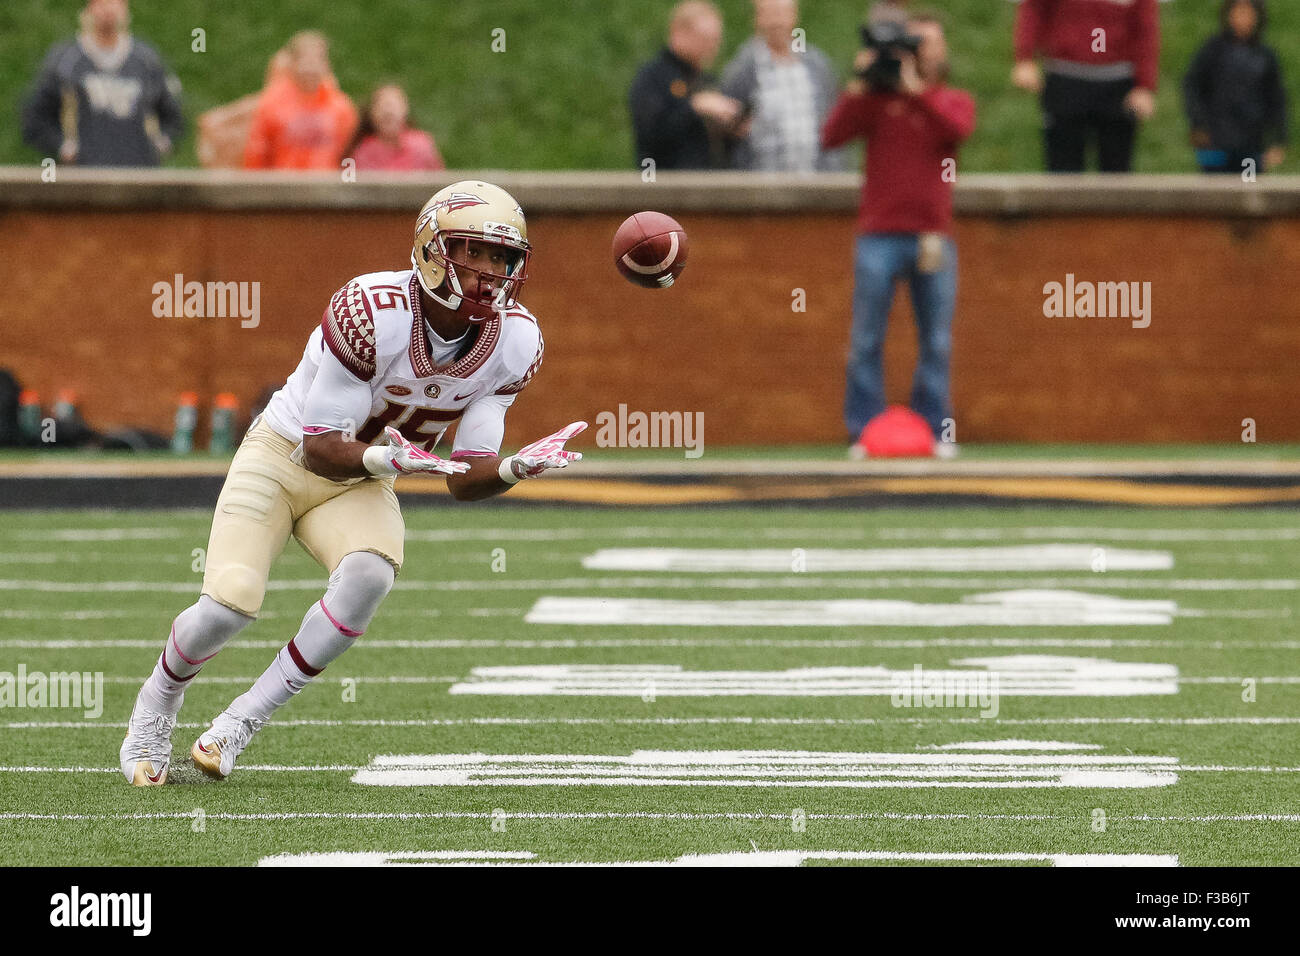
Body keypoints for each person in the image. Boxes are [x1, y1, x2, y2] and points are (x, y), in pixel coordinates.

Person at [119, 181, 586, 785]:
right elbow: (319, 448)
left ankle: (240, 722)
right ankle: (157, 704)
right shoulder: (372, 309)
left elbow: (465, 477)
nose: (489, 272)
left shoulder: (516, 341)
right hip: (283, 456)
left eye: (502, 257)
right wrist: (388, 462)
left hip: (364, 475)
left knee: (370, 575)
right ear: (432, 249)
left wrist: (512, 468)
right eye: (473, 252)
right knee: (230, 601)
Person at [821, 12, 975, 458]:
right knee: (866, 338)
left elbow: (956, 130)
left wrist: (915, 91)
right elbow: (831, 136)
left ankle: (936, 429)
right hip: (879, 234)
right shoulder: (875, 100)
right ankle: (863, 430)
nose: (922, 51)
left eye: (929, 43)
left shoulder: (952, 100)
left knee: (936, 341)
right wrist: (858, 84)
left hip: (931, 236)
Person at [21, 0, 183, 167]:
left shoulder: (146, 60)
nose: (108, 9)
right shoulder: (66, 60)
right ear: (89, 8)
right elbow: (35, 115)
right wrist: (63, 147)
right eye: (101, 3)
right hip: (83, 173)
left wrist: (159, 144)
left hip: (138, 172)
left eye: (115, 2)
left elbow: (173, 115)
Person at [1012, 0, 1159, 172]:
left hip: (1117, 84)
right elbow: (1034, 8)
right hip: (1065, 79)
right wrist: (1025, 57)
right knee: (1062, 171)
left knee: (1117, 171)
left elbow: (1145, 29)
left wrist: (1144, 85)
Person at [720, 0, 843, 172]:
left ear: (794, 16)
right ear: (757, 19)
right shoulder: (742, 69)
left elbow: (834, 119)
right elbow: (728, 127)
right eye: (769, 14)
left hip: (815, 178)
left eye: (781, 13)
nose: (776, 22)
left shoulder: (816, 64)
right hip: (760, 178)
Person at [629, 1, 744, 170]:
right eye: (705, 39)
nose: (712, 47)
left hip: (708, 180)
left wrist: (731, 130)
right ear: (679, 33)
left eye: (716, 40)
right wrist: (694, 107)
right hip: (661, 179)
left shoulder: (707, 80)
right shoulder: (653, 78)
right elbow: (650, 135)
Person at [1183, 0, 1287, 175]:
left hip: (1251, 144)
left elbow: (1276, 98)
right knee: (1213, 188)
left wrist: (1278, 139)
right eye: (1238, 11)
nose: (1243, 18)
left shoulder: (1265, 56)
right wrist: (1198, 123)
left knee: (1249, 185)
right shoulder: (1212, 50)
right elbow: (1192, 86)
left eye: (1248, 13)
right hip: (1214, 142)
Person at [242, 31, 358, 170]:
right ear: (292, 64)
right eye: (304, 60)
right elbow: (257, 151)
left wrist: (348, 182)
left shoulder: (341, 107)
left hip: (327, 181)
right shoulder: (271, 103)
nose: (310, 68)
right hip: (284, 180)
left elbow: (350, 154)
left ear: (326, 65)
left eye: (317, 60)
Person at [347, 84, 446, 172]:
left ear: (405, 111)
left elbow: (439, 180)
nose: (388, 110)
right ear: (372, 115)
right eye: (381, 106)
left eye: (394, 105)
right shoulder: (364, 152)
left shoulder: (422, 145)